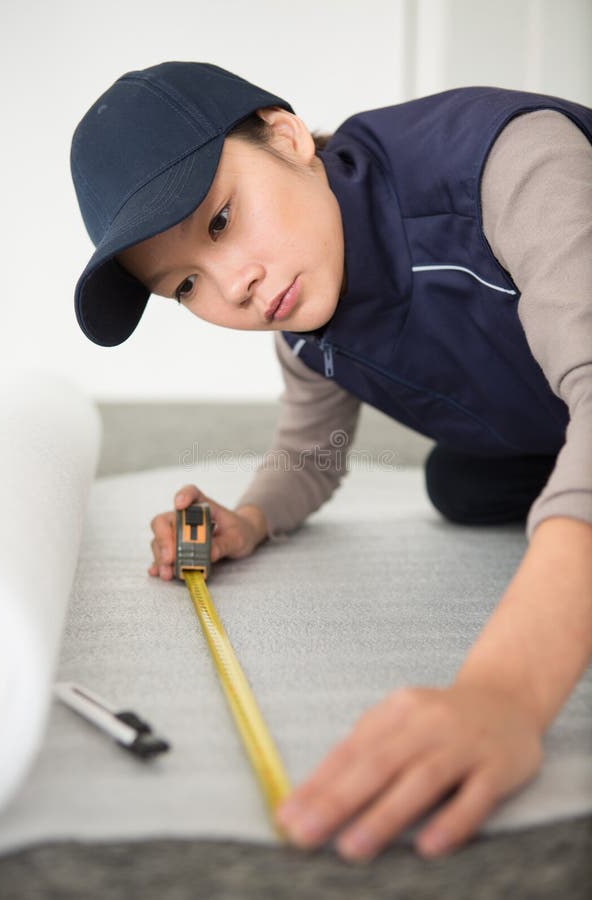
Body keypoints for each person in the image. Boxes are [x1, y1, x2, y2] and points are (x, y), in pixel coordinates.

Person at [70, 61, 592, 863]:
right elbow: (314, 451)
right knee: (459, 484)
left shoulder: (512, 163)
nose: (232, 286)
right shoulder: (299, 321)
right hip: (547, 414)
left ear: (286, 138)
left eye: (219, 222)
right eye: (185, 286)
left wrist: (505, 695)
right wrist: (246, 520)